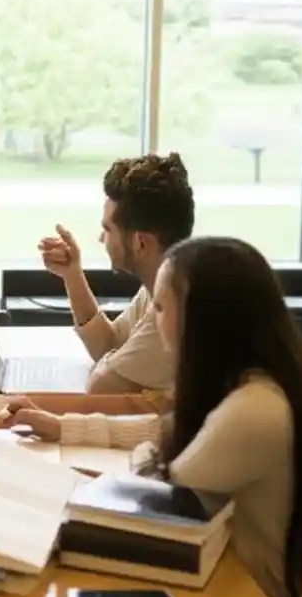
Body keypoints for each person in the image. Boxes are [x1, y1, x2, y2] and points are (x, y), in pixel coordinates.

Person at [0, 237, 302, 597]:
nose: (154, 315)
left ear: (199, 321)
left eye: (161, 307)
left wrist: (38, 490)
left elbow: (158, 501)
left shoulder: (255, 409)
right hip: (287, 587)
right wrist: (62, 426)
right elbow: (160, 433)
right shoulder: (248, 380)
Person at [24, 152, 194, 415]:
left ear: (141, 243)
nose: (102, 239)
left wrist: (113, 363)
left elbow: (101, 388)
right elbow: (107, 344)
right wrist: (72, 275)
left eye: (108, 229)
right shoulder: (160, 281)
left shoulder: (176, 302)